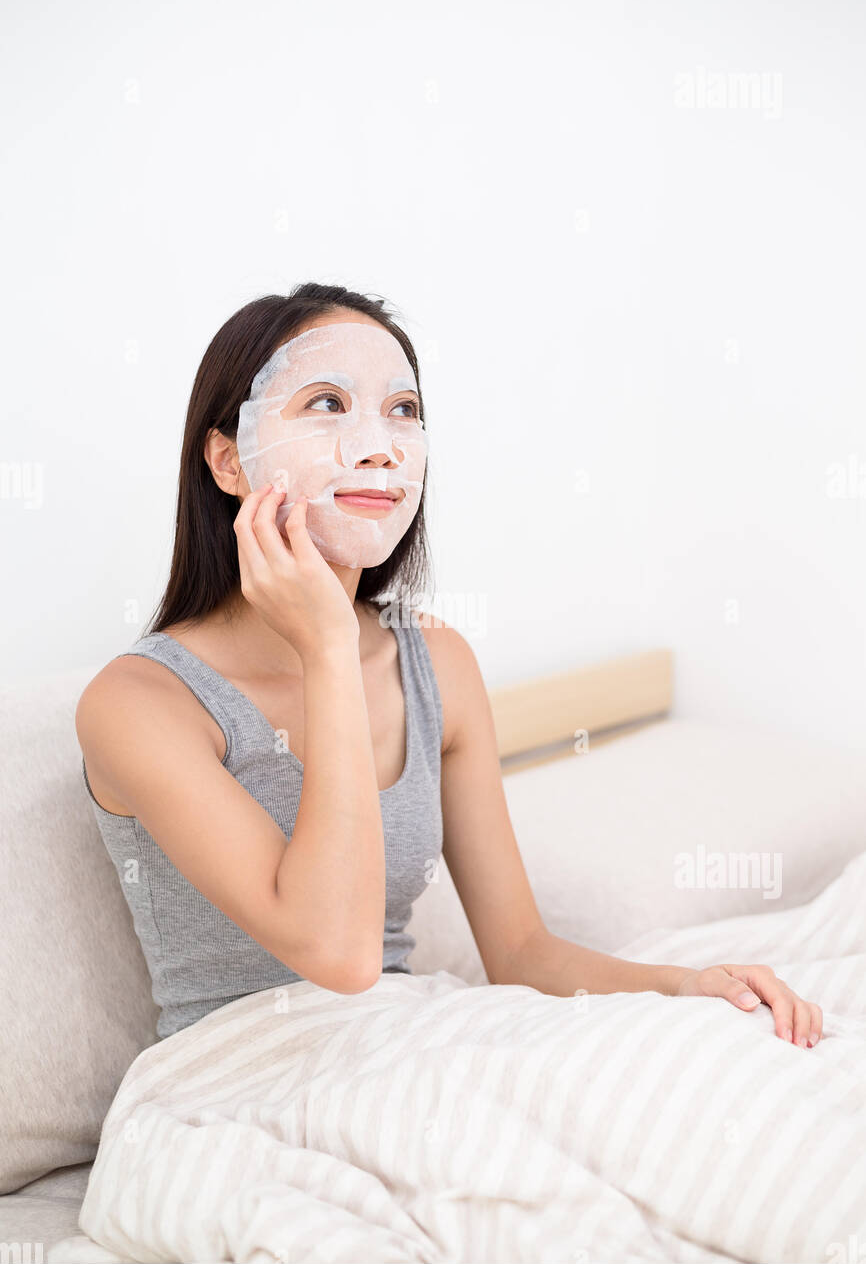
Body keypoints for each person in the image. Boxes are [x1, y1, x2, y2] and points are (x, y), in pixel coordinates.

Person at [76, 282, 823, 1051]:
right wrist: (329, 647)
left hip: (407, 1048)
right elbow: (338, 952)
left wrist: (688, 990)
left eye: (403, 410)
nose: (381, 445)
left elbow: (522, 953)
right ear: (228, 460)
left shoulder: (436, 662)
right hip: (233, 1080)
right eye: (328, 403)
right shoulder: (139, 702)